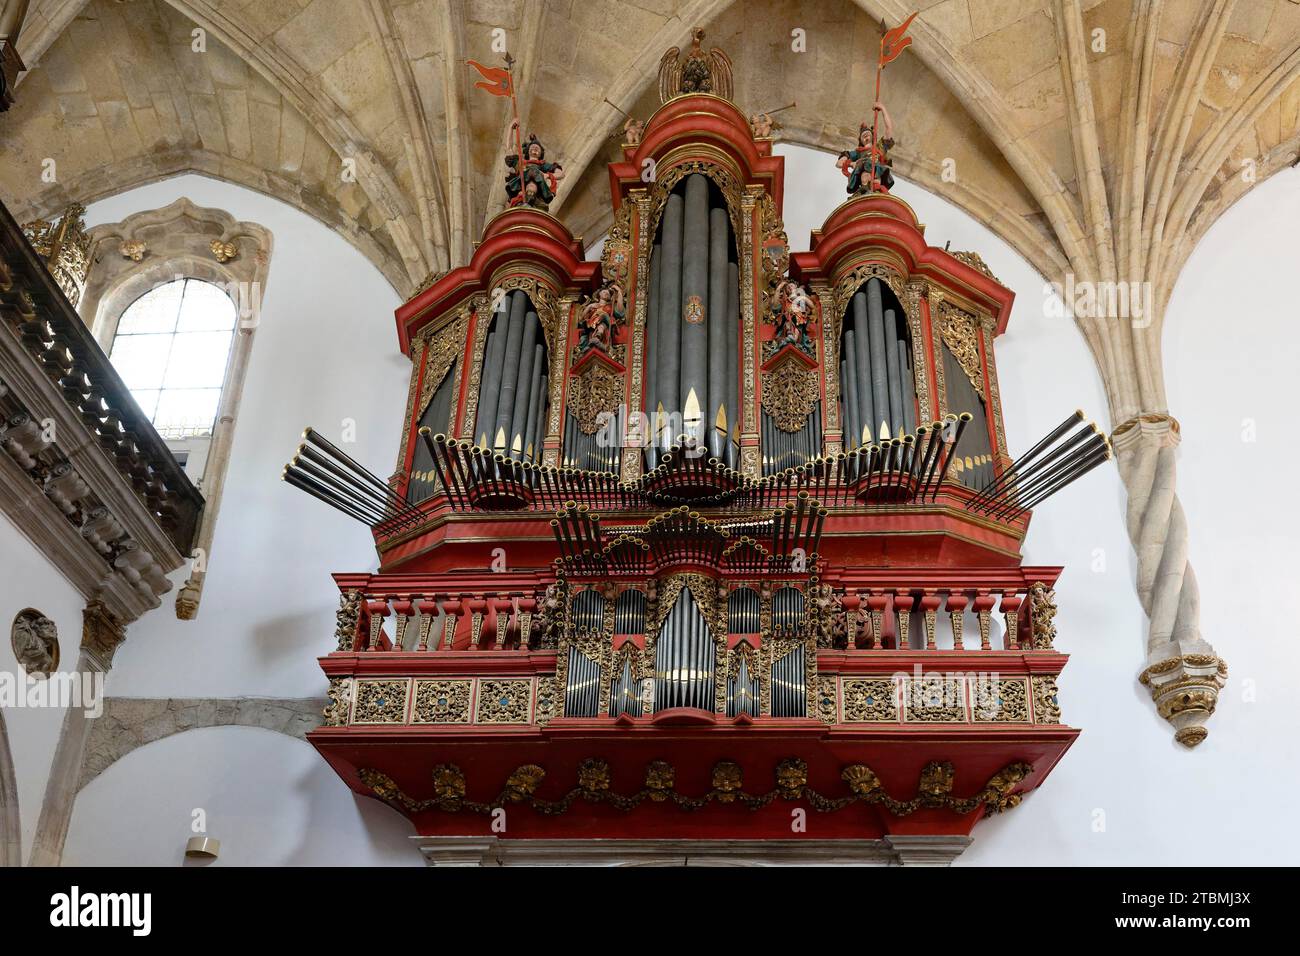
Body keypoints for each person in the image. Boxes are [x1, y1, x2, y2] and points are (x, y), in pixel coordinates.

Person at [836, 101, 895, 194]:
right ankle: (865, 191)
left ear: (872, 136)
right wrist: (852, 163)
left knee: (876, 185)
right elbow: (839, 164)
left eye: (867, 134)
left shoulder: (879, 147)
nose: (866, 137)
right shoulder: (858, 153)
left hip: (876, 174)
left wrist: (883, 108)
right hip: (864, 176)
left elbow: (889, 129)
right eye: (863, 136)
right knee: (865, 176)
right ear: (861, 140)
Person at [505, 122, 566, 210]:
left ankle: (529, 203)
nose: (535, 148)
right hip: (521, 182)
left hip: (536, 182)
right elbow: (509, 149)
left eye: (537, 148)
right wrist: (510, 128)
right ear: (527, 151)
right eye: (532, 147)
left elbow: (561, 174)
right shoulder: (521, 162)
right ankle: (520, 203)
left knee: (532, 184)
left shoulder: (542, 164)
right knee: (513, 201)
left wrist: (547, 175)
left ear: (541, 153)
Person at [578, 282, 625, 354]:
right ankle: (597, 336)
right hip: (593, 327)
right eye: (604, 292)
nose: (606, 294)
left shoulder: (610, 306)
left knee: (603, 315)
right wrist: (589, 307)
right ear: (599, 294)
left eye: (608, 294)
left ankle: (599, 336)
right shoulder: (593, 306)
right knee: (601, 325)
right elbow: (581, 319)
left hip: (608, 323)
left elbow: (620, 312)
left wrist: (619, 291)